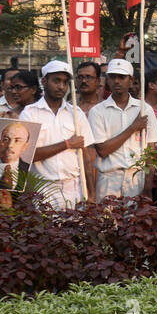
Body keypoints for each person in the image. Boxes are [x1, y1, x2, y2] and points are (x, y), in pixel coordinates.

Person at [88, 58, 157, 200]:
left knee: (135, 220)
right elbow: (102, 150)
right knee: (107, 221)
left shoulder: (144, 109)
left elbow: (151, 150)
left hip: (136, 177)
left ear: (131, 80)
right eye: (113, 77)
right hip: (109, 178)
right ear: (107, 80)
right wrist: (133, 128)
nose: (117, 81)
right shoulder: (97, 111)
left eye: (122, 77)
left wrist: (147, 187)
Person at [22, 61, 93, 208]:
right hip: (43, 189)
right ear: (44, 81)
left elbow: (86, 156)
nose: (61, 86)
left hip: (75, 187)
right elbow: (27, 155)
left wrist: (91, 193)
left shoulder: (76, 113)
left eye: (65, 82)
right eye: (57, 81)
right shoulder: (29, 113)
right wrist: (67, 144)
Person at [0, 121, 34, 191]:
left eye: (17, 141)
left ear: (24, 147)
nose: (10, 145)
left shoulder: (31, 172)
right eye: (6, 139)